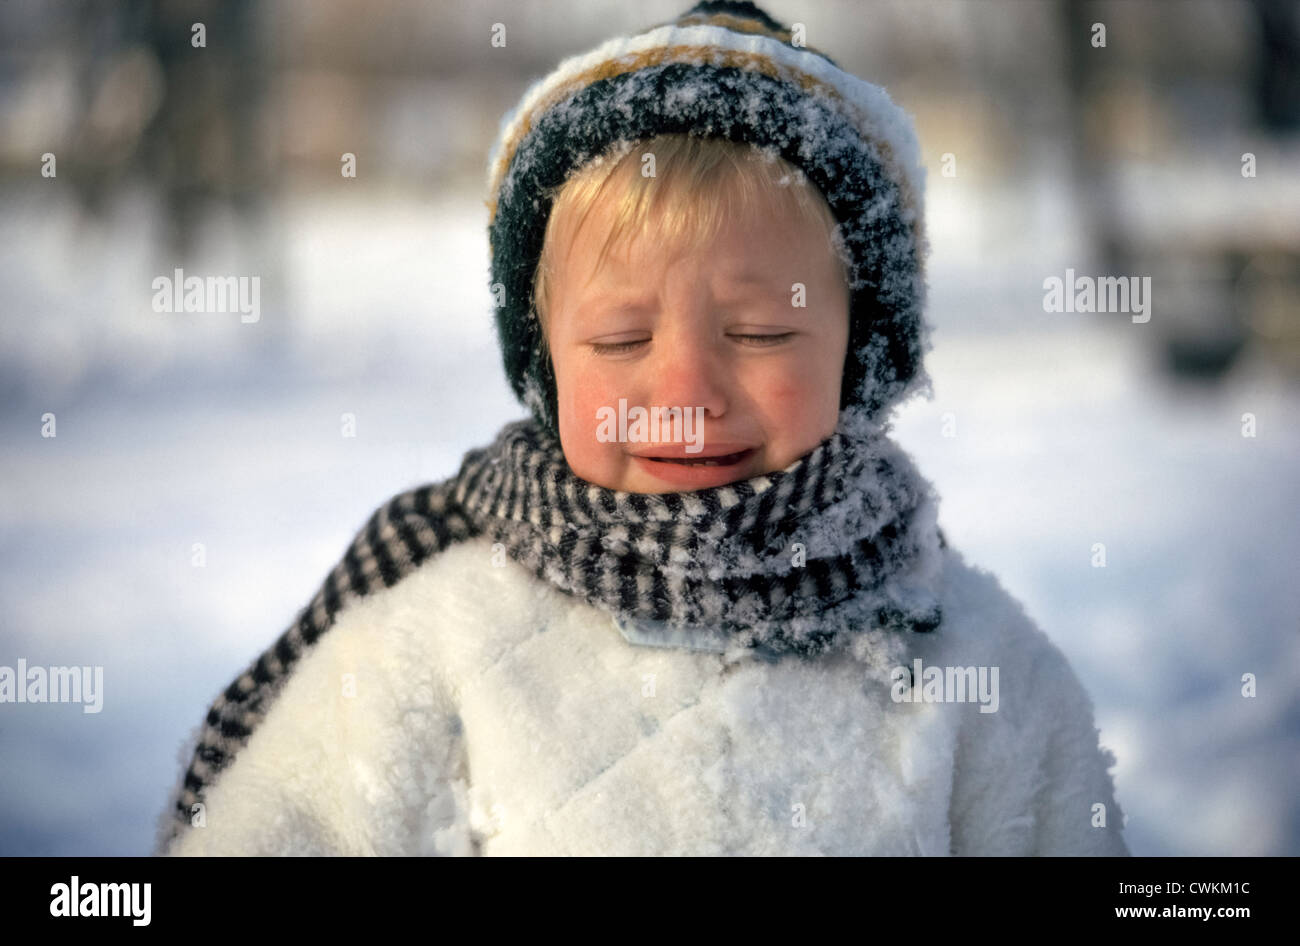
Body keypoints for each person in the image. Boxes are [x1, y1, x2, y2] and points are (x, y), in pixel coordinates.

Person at [155, 0, 1129, 856]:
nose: (685, 389)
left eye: (758, 331)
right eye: (621, 337)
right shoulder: (435, 639)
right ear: (548, 363)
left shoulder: (974, 662)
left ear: (855, 350)